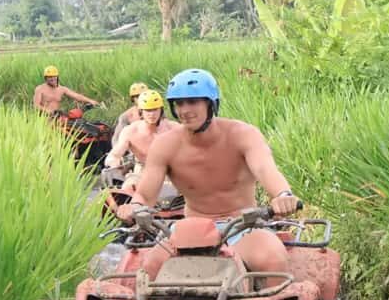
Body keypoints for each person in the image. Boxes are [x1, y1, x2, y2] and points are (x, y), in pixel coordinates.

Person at [116, 68, 300, 279]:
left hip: (242, 225)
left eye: (193, 101)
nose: (185, 110)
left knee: (272, 259)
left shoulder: (243, 134)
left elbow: (266, 169)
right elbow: (146, 195)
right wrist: (135, 207)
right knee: (151, 269)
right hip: (190, 229)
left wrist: (283, 196)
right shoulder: (165, 145)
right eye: (179, 104)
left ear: (211, 104)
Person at [105, 89, 174, 191]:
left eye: (155, 109)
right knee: (128, 187)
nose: (152, 114)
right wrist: (113, 161)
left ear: (161, 110)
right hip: (141, 173)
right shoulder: (130, 131)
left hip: (170, 173)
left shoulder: (173, 128)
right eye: (148, 110)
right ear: (141, 111)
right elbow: (115, 154)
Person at [32, 65, 101, 116]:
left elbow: (77, 96)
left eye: (54, 76)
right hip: (44, 118)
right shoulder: (40, 89)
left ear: (57, 77)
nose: (52, 78)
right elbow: (36, 105)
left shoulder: (62, 89)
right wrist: (48, 111)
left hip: (57, 118)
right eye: (50, 77)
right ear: (46, 78)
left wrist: (90, 101)